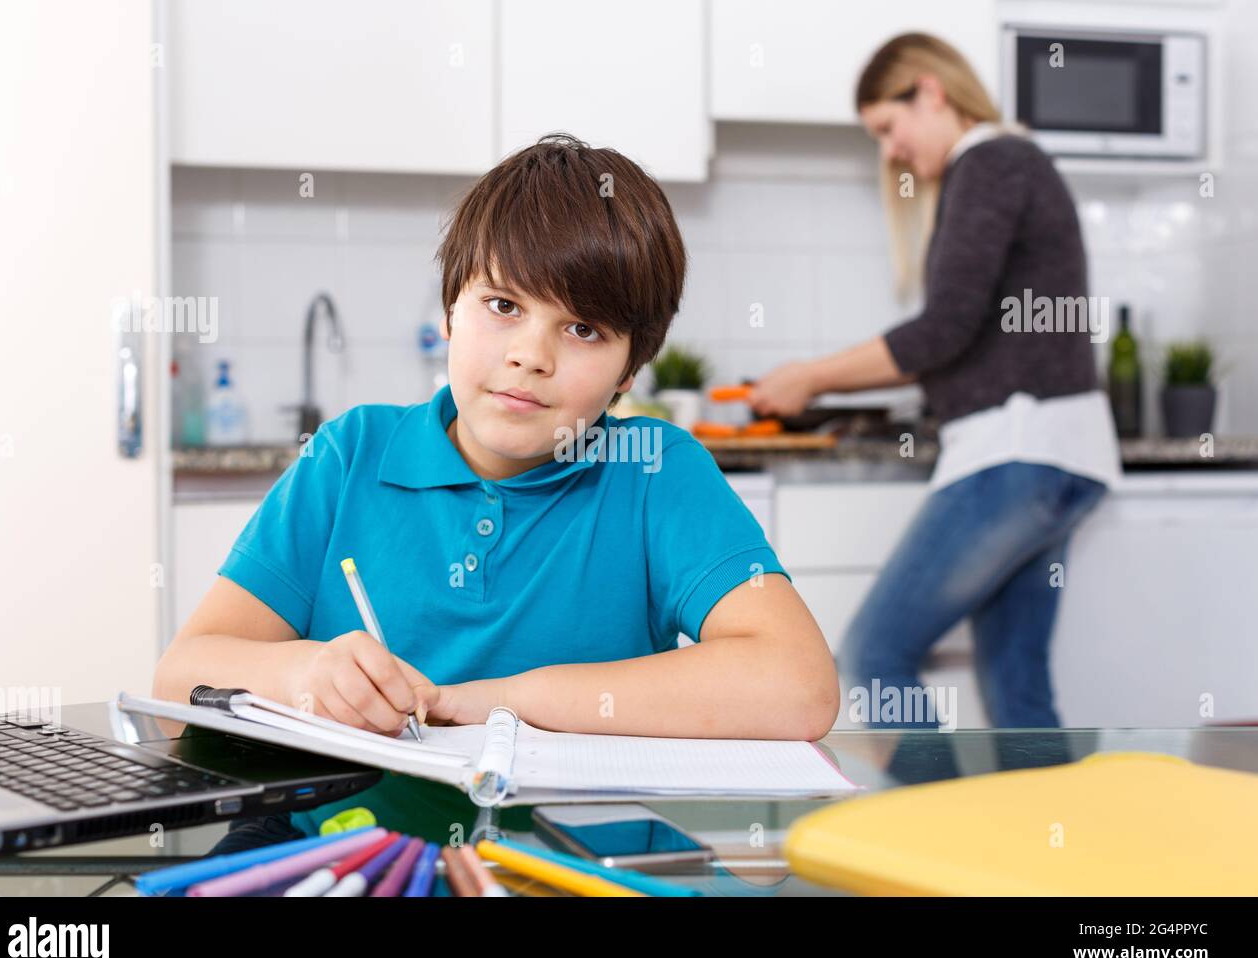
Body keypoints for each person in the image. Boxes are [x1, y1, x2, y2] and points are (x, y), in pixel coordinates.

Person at [156, 133, 839, 849]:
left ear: (630, 371)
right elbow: (178, 687)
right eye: (503, 305)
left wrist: (506, 702)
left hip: (568, 866)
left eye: (582, 328)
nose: (529, 356)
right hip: (339, 853)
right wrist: (306, 672)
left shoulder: (654, 470)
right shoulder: (349, 455)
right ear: (450, 309)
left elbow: (798, 683)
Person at [749, 35, 1120, 729]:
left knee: (873, 655)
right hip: (1059, 453)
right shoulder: (1013, 162)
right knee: (1016, 681)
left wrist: (810, 378)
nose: (889, 151)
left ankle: (932, 834)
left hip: (1015, 451)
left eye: (888, 128)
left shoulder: (988, 162)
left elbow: (942, 330)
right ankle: (1045, 839)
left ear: (930, 90)